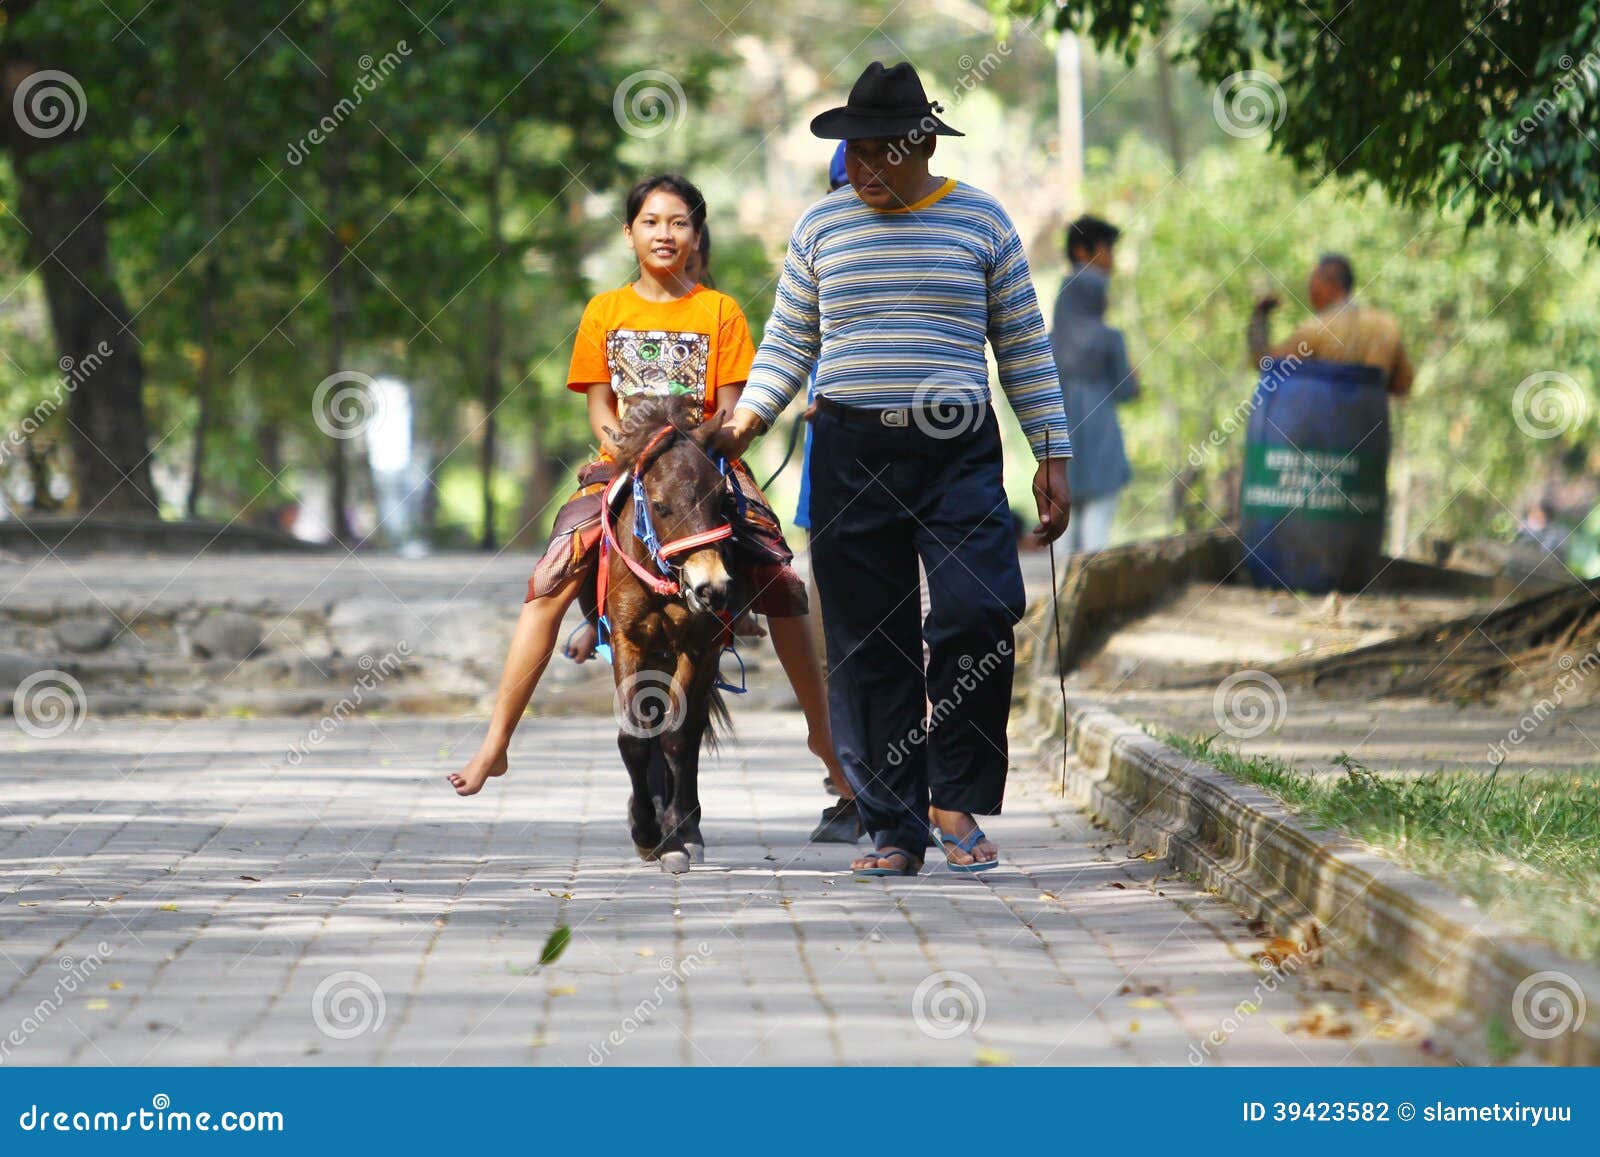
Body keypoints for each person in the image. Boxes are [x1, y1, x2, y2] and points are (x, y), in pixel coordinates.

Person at [716, 62, 1072, 875]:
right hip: (849, 453)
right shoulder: (820, 229)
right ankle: (893, 827)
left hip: (959, 456)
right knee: (867, 642)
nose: (865, 169)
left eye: (881, 153)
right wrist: (747, 418)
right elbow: (788, 343)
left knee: (978, 613)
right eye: (856, 154)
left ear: (921, 147)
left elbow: (1022, 347)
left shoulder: (981, 222)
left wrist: (1052, 452)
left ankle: (954, 792)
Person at [449, 174, 846, 799]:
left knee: (778, 567)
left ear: (695, 234)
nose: (666, 234)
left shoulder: (720, 312)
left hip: (705, 465)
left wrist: (695, 450)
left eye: (680, 222)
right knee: (551, 577)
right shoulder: (605, 311)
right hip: (624, 464)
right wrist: (634, 452)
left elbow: (732, 408)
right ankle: (496, 741)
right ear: (629, 232)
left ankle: (824, 739)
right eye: (652, 222)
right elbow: (600, 408)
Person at [1051, 214, 1139, 558]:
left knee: (1062, 541)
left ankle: (1059, 611)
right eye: (1107, 250)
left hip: (1059, 447)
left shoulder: (1049, 342)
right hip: (1102, 444)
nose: (1111, 262)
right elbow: (1128, 391)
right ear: (1083, 250)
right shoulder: (1109, 339)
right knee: (1095, 543)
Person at [1248, 253, 1414, 395]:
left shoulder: (1315, 330)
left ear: (1329, 285)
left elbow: (1267, 365)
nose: (1309, 290)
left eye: (1312, 282)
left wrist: (1260, 316)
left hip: (1325, 428)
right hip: (1372, 426)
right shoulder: (1386, 325)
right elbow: (1402, 385)